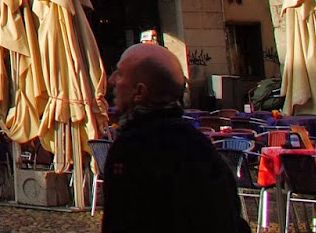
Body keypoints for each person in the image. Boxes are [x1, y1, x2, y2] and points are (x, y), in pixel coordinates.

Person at [102, 43, 250, 233]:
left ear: (140, 92)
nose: (112, 80)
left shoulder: (132, 148)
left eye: (120, 73)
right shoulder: (200, 144)